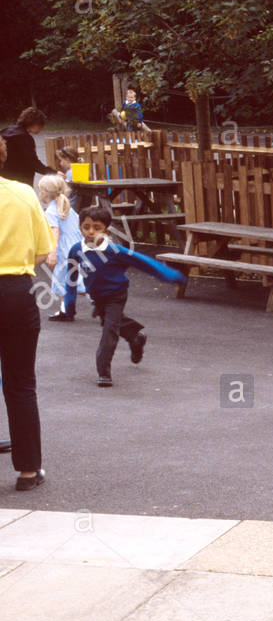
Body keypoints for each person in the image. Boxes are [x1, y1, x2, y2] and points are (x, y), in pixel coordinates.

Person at [65, 205, 185, 387]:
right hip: (98, 297)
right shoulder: (76, 250)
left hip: (116, 295)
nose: (90, 232)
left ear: (105, 229)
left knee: (109, 331)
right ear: (80, 227)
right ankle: (136, 337)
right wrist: (70, 305)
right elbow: (71, 278)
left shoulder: (114, 251)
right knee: (113, 323)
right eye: (86, 227)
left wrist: (169, 275)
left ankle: (103, 372)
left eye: (97, 227)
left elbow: (143, 262)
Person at [0, 136, 53, 484]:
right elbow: (40, 253)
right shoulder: (22, 194)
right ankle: (28, 469)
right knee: (20, 382)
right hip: (13, 289)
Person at [37, 176, 82, 322]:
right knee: (68, 278)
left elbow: (54, 231)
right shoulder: (65, 206)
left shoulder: (51, 211)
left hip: (64, 250)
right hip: (76, 245)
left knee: (66, 279)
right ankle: (66, 309)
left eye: (40, 191)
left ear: (45, 192)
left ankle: (102, 303)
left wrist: (52, 252)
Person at [1, 108, 54, 187]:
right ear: (36, 124)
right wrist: (52, 172)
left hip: (4, 179)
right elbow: (32, 162)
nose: (42, 128)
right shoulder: (25, 138)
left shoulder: (5, 131)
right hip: (21, 181)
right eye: (42, 125)